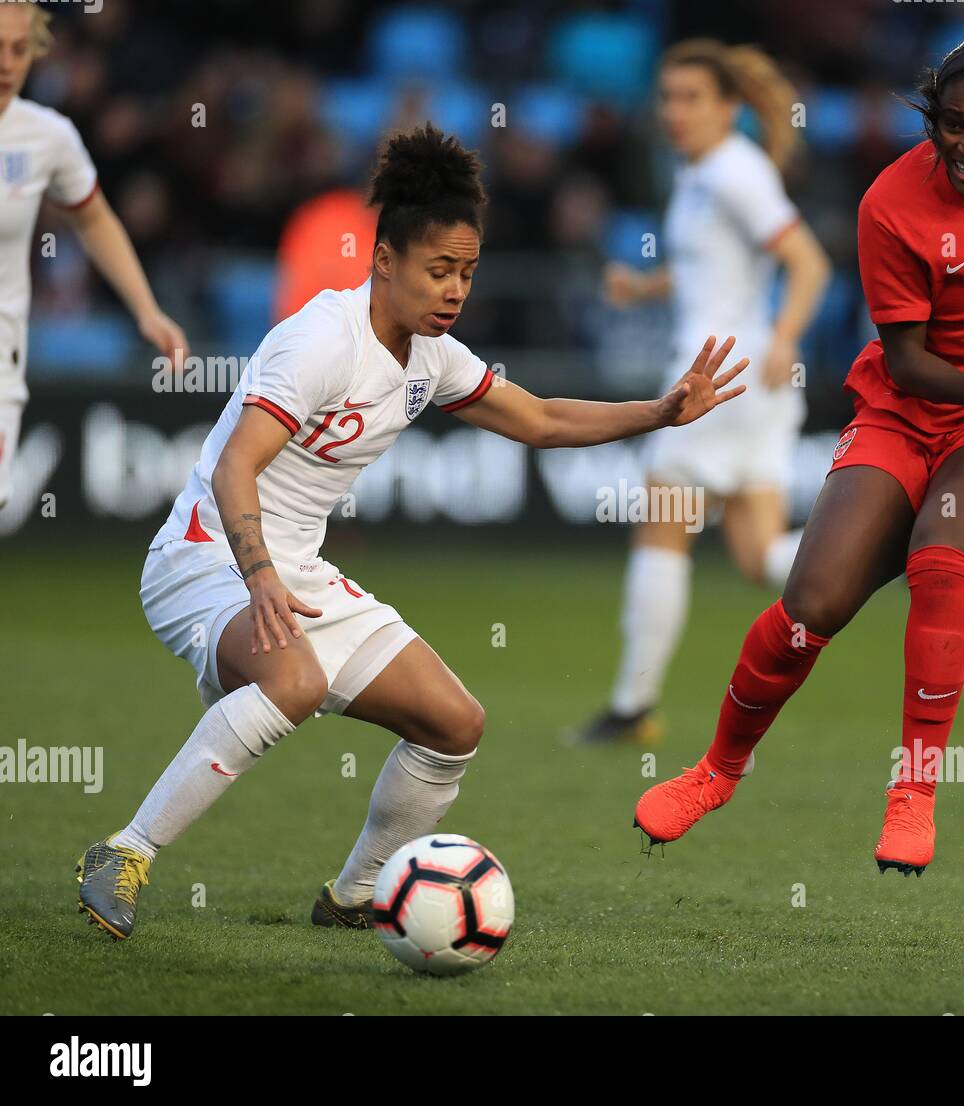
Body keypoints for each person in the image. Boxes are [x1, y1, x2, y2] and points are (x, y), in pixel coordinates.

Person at [75, 125, 748, 939]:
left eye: (467, 271)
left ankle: (355, 896)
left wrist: (660, 412)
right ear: (384, 260)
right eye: (439, 270)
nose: (455, 289)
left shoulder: (432, 355)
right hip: (205, 555)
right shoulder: (321, 341)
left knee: (454, 723)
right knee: (294, 684)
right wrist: (259, 579)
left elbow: (537, 419)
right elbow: (233, 470)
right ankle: (125, 851)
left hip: (295, 566)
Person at [634, 34, 964, 877]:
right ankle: (716, 771)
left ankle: (915, 791)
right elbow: (910, 357)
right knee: (810, 604)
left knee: (942, 559)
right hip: (909, 407)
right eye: (950, 126)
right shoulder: (893, 204)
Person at [567, 40, 831, 746]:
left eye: (691, 98)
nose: (674, 112)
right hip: (746, 382)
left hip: (718, 376)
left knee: (661, 523)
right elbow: (712, 268)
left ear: (730, 109)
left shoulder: (733, 174)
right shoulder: (704, 172)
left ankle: (631, 707)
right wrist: (645, 286)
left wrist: (786, 335)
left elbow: (809, 262)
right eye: (668, 97)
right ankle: (906, 558)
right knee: (757, 558)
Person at [0, 0, 187, 509]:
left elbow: (94, 218)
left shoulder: (46, 136)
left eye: (20, 49)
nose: (7, 63)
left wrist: (147, 310)